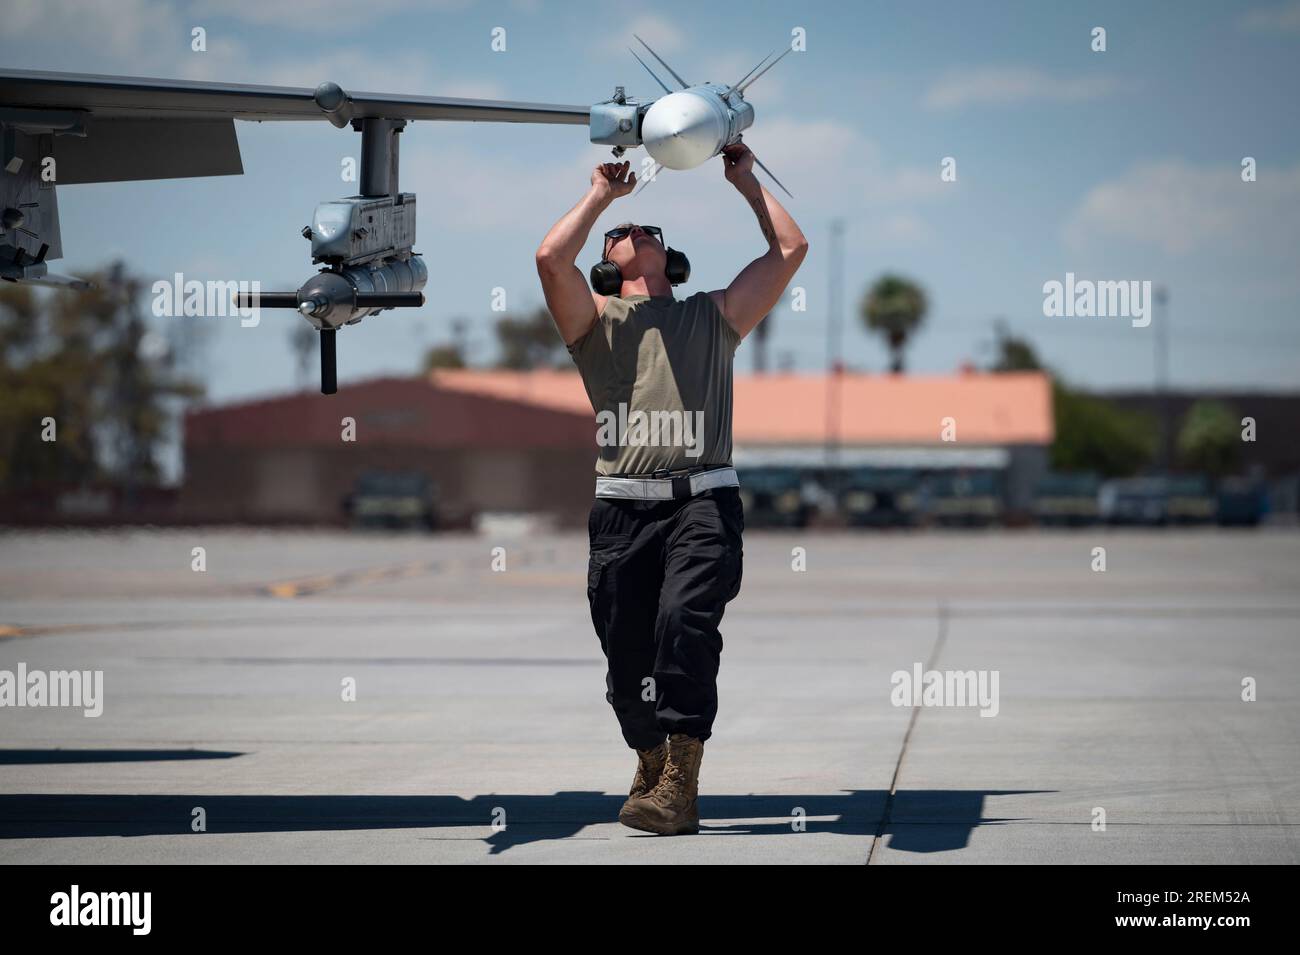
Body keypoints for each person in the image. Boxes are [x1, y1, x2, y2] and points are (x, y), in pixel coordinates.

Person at [534, 142, 808, 835]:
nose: (638, 232)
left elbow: (790, 250)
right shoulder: (592, 323)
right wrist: (601, 194)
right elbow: (548, 260)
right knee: (626, 656)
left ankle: (680, 785)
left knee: (683, 624)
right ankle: (650, 758)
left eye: (649, 229)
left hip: (703, 501)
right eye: (621, 234)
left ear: (670, 257)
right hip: (622, 508)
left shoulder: (711, 316)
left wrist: (746, 183)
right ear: (607, 262)